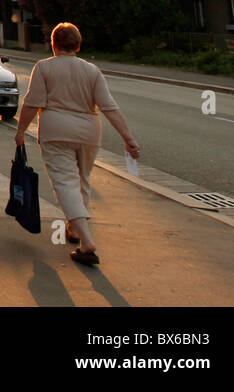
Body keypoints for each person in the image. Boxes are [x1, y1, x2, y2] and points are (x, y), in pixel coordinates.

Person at [15, 22, 140, 267]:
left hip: (56, 131)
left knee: (65, 183)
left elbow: (32, 102)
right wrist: (129, 138)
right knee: (82, 180)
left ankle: (87, 242)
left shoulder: (44, 68)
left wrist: (21, 131)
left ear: (53, 44)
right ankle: (73, 230)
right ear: (78, 46)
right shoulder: (92, 71)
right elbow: (109, 107)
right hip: (89, 132)